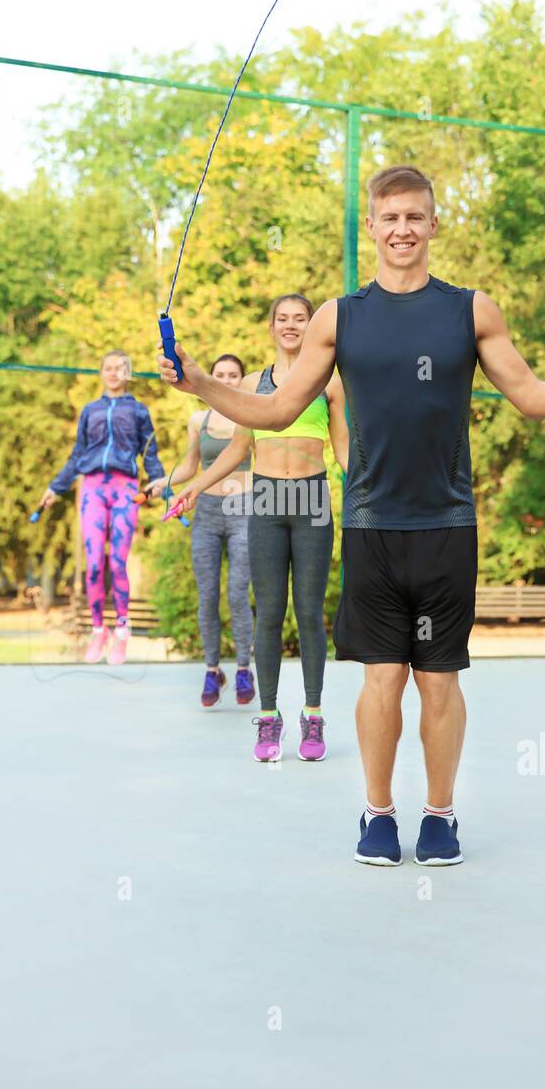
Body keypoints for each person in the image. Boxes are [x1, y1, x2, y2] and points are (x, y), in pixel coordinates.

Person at [157, 164, 545, 864]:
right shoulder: (340, 316)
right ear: (371, 227)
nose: (402, 229)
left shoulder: (471, 310)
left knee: (439, 679)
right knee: (381, 680)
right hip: (371, 526)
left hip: (446, 526)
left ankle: (440, 816)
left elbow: (535, 396)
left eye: (414, 217)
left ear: (434, 225)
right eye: (389, 217)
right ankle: (376, 814)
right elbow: (276, 410)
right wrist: (194, 383)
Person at [171, 295, 349, 762]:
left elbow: (345, 450)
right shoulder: (252, 383)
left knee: (309, 613)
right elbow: (237, 450)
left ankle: (313, 714)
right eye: (283, 319)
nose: (291, 326)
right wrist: (196, 487)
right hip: (266, 498)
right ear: (271, 328)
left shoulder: (330, 384)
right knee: (268, 612)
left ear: (313, 328)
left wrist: (373, 487)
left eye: (300, 319)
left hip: (311, 498)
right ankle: (268, 719)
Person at [40, 350, 164, 666]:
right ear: (101, 373)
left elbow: (150, 453)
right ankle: (99, 630)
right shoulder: (90, 411)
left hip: (124, 489)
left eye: (120, 368)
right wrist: (56, 487)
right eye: (108, 368)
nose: (113, 372)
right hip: (93, 488)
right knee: (94, 563)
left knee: (118, 562)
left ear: (129, 373)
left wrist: (159, 480)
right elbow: (77, 455)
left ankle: (122, 630)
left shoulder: (138, 411)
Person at [147, 354, 256, 708]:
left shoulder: (251, 415)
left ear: (242, 379)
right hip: (206, 513)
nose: (226, 379)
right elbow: (190, 466)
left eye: (233, 374)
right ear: (212, 377)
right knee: (207, 595)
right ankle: (212, 670)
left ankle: (243, 668)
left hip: (244, 510)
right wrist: (162, 482)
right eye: (220, 374)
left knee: (238, 593)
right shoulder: (199, 419)